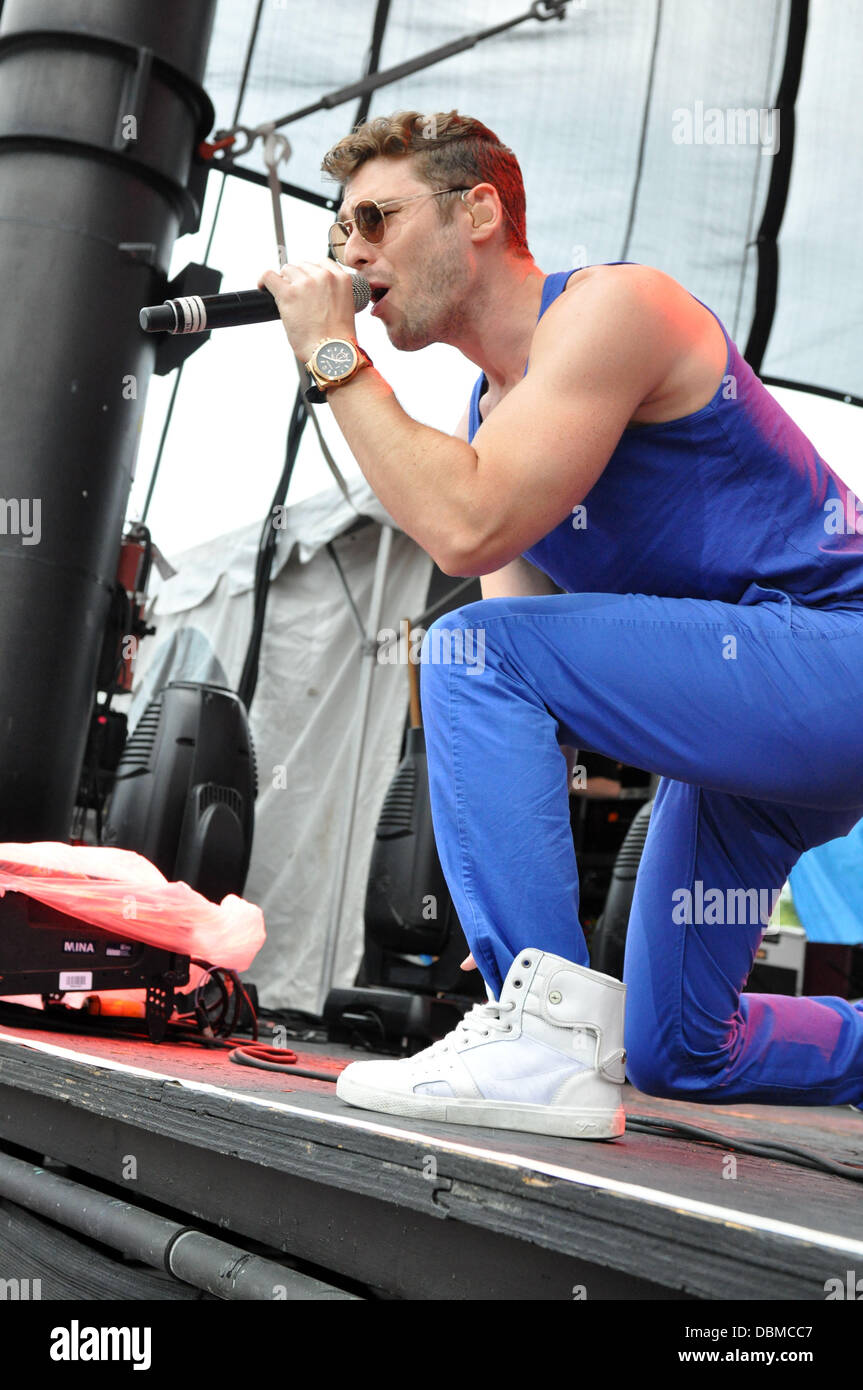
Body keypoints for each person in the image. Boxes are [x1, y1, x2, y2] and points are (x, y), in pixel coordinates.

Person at [259, 110, 863, 1140]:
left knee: (462, 647)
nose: (350, 252)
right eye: (336, 234)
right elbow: (526, 676)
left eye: (375, 218)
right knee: (680, 1049)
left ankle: (541, 1051)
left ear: (478, 211)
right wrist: (510, 899)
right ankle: (547, 1030)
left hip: (833, 659)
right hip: (749, 738)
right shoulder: (490, 419)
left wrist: (332, 354)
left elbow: (464, 531)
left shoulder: (616, 308)